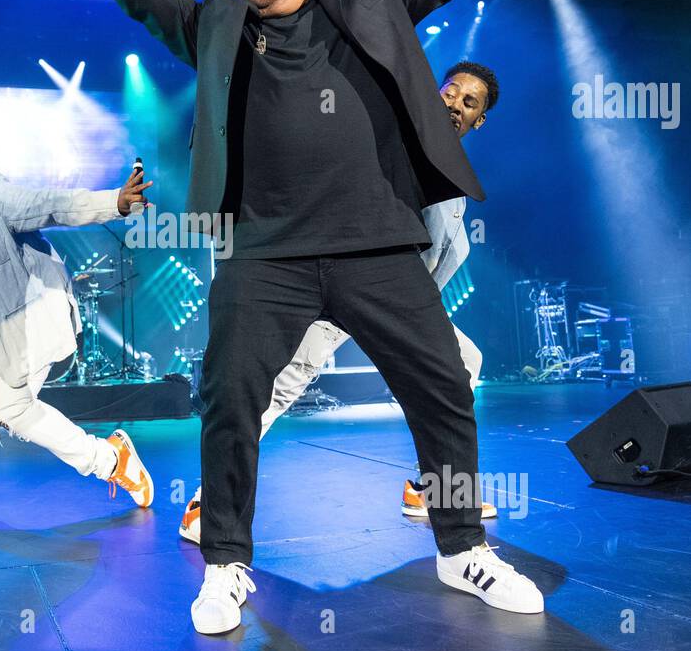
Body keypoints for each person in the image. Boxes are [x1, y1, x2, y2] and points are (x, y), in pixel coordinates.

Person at [0, 0, 629, 634]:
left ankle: (461, 546)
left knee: (444, 391)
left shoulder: (373, 0)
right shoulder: (216, 26)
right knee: (230, 403)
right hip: (264, 254)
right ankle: (225, 563)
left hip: (379, 246)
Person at [177, 62, 504, 545]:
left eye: (468, 102)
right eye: (450, 91)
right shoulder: (393, 135)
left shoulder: (454, 177)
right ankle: (210, 501)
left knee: (463, 365)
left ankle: (426, 487)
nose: (454, 103)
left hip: (397, 302)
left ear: (479, 122)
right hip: (331, 283)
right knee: (279, 387)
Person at [0, 129, 156, 526]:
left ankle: (110, 459)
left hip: (26, 308)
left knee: (10, 408)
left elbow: (49, 205)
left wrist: (114, 203)